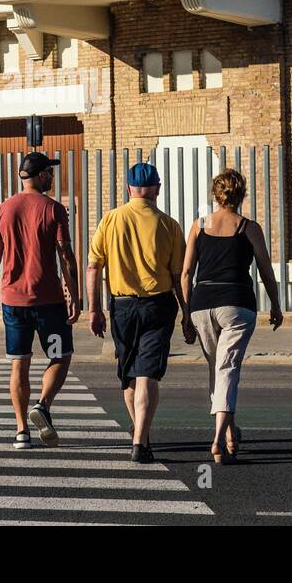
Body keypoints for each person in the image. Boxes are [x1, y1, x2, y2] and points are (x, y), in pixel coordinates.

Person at [179, 168, 284, 465]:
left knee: (218, 369)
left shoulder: (198, 226)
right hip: (237, 304)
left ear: (216, 194)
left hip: (202, 304)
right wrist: (275, 305)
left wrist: (186, 315)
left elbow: (186, 273)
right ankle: (217, 441)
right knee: (228, 369)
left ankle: (229, 433)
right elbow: (265, 271)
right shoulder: (249, 228)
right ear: (241, 195)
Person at [85, 162, 185, 464]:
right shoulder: (169, 225)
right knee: (148, 376)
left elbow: (93, 267)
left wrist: (93, 309)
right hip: (158, 305)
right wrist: (188, 315)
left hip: (122, 307)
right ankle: (141, 441)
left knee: (129, 377)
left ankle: (140, 433)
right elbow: (179, 274)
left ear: (128, 188)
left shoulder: (110, 220)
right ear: (157, 188)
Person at [0, 152, 81, 450]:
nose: (52, 177)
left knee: (19, 365)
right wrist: (73, 295)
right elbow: (66, 255)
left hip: (13, 301)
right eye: (49, 172)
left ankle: (21, 431)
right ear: (38, 176)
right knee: (60, 356)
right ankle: (44, 406)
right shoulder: (54, 209)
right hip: (48, 300)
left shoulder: (2, 210)